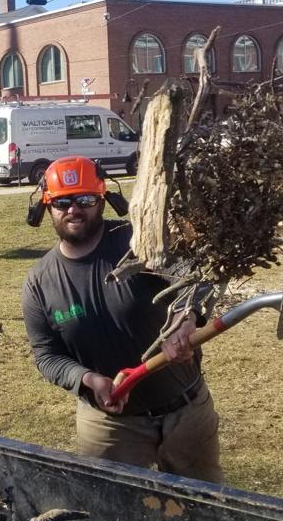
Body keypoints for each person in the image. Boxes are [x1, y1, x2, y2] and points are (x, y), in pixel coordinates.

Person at [21, 156, 223, 483]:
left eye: (85, 199)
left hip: (186, 414)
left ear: (104, 200)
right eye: (62, 202)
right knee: (113, 509)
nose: (74, 209)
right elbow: (46, 355)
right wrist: (87, 379)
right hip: (109, 428)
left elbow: (197, 279)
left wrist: (186, 318)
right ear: (46, 207)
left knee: (205, 504)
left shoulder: (138, 242)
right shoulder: (40, 282)